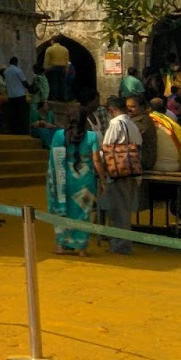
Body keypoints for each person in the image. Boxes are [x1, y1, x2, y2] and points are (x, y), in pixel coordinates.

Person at [46, 101, 101, 255]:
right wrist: (103, 180)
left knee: (63, 211)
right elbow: (96, 160)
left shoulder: (58, 135)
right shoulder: (92, 137)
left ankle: (60, 245)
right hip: (84, 182)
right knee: (83, 213)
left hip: (63, 182)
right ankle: (81, 248)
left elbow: (54, 160)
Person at [95, 95, 143, 254]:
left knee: (118, 210)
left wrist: (99, 162)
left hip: (118, 172)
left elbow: (107, 149)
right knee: (125, 209)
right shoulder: (133, 124)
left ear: (111, 110)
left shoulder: (115, 124)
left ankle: (121, 244)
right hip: (132, 171)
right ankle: (122, 242)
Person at [2, 56, 30, 137]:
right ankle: (22, 131)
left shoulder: (6, 72)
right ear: (16, 62)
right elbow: (24, 82)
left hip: (11, 96)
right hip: (20, 95)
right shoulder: (18, 70)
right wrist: (30, 89)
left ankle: (13, 130)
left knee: (13, 115)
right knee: (21, 114)